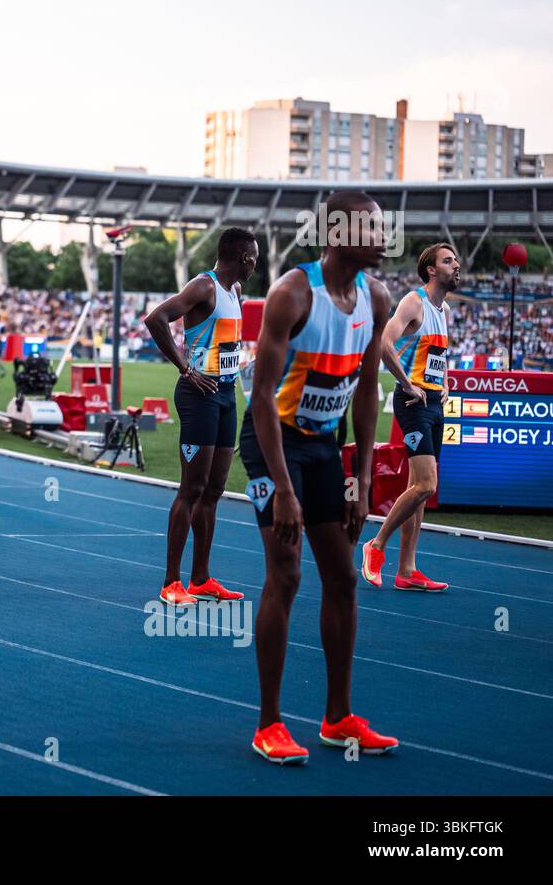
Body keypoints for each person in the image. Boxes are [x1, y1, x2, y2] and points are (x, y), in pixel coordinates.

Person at [241, 191, 398, 765]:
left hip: (324, 449)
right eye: (374, 227)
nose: (385, 237)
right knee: (285, 573)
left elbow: (366, 389)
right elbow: (260, 399)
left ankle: (338, 718)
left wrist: (360, 476)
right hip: (270, 444)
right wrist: (283, 488)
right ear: (340, 233)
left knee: (343, 578)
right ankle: (269, 723)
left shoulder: (376, 298)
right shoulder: (293, 293)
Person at [144, 228, 258, 605]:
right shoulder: (204, 287)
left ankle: (201, 578)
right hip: (199, 395)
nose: (256, 263)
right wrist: (184, 368)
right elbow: (156, 319)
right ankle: (170, 582)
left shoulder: (234, 291)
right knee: (191, 489)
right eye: (254, 257)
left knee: (213, 490)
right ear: (243, 257)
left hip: (225, 394)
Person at [360, 244, 461, 592]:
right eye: (448, 261)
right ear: (431, 270)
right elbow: (384, 343)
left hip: (434, 402)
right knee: (427, 485)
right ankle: (375, 545)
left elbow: (435, 354)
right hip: (412, 400)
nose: (456, 265)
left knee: (417, 489)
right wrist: (406, 384)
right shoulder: (413, 302)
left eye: (456, 260)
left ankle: (407, 571)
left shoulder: (442, 308)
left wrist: (444, 381)